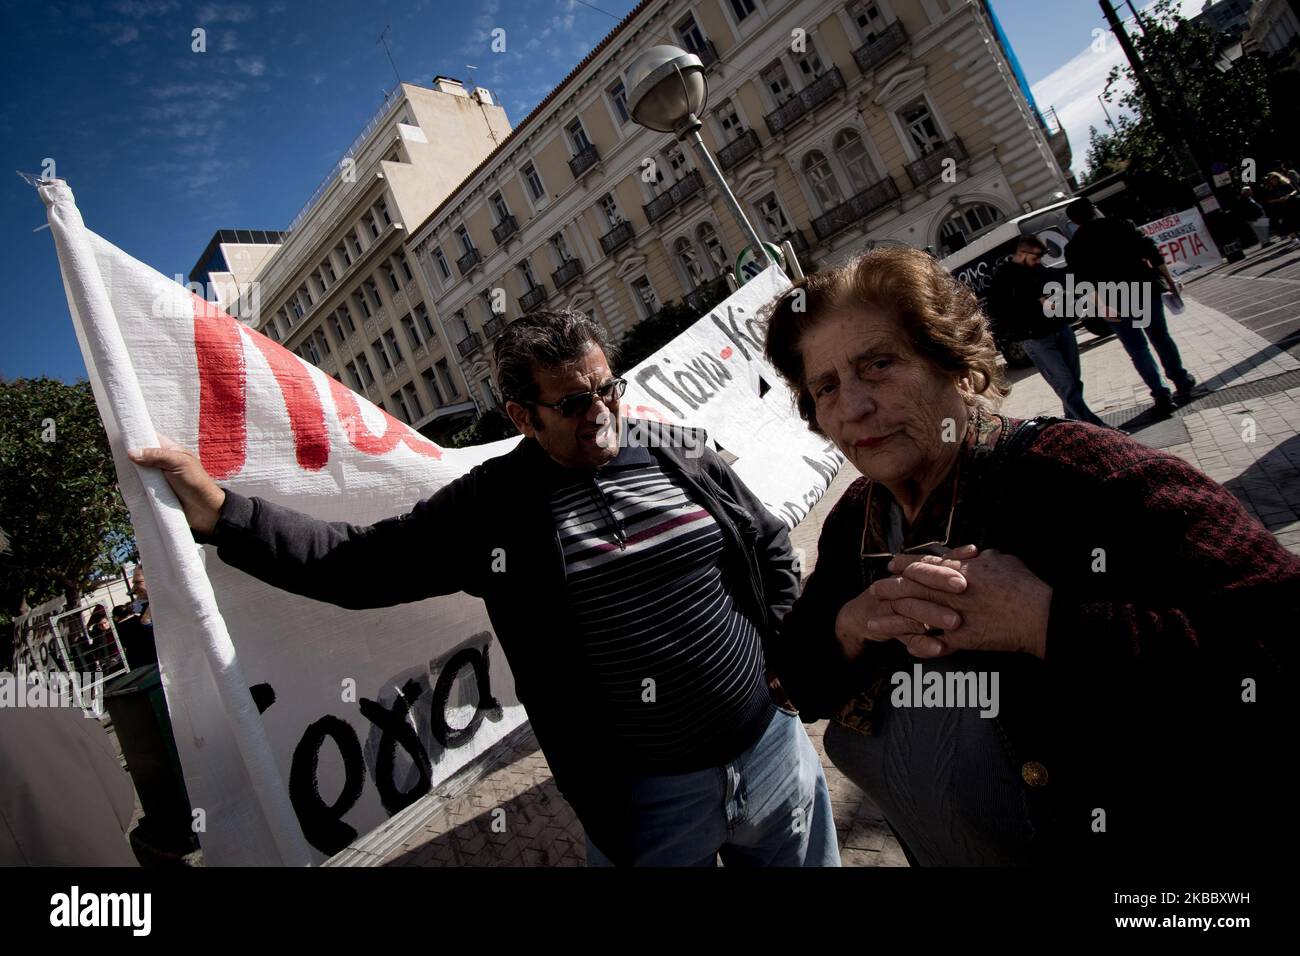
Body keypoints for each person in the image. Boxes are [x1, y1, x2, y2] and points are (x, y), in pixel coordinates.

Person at [128, 309, 839, 868]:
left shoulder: (677, 449)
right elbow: (356, 566)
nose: (600, 414)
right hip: (651, 804)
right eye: (571, 405)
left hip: (774, 754)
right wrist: (222, 514)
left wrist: (782, 643)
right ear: (522, 417)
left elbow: (766, 540)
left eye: (606, 389)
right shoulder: (493, 509)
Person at [761, 247, 1296, 866]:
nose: (852, 407)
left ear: (958, 366)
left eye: (878, 365)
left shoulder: (1076, 471)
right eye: (825, 387)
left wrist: (1047, 623)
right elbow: (799, 681)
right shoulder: (857, 517)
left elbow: (1280, 641)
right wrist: (847, 630)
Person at [1064, 197, 1200, 415]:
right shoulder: (1123, 225)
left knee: (1137, 349)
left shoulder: (1073, 247)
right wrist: (1170, 281)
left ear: (1074, 221)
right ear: (1093, 210)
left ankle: (1160, 393)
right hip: (1144, 290)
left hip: (1112, 301)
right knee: (1160, 336)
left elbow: (1082, 283)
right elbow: (1152, 253)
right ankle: (1181, 379)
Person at [986, 236, 1105, 426]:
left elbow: (1058, 285)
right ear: (1022, 254)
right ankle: (1096, 427)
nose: (1039, 261)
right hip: (1037, 339)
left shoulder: (1038, 269)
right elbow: (996, 311)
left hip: (1061, 329)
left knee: (1074, 381)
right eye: (1036, 257)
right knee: (1065, 384)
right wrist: (1023, 323)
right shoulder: (1004, 276)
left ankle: (1072, 424)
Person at [1261, 171, 1300, 245]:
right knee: (1287, 223)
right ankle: (1294, 238)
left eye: (1274, 177)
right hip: (1280, 208)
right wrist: (1279, 199)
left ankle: (1296, 235)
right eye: (1271, 178)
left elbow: (1294, 190)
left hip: (1291, 204)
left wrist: (1289, 195)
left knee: (1296, 219)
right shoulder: (1269, 189)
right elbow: (1268, 200)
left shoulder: (1284, 183)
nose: (1273, 179)